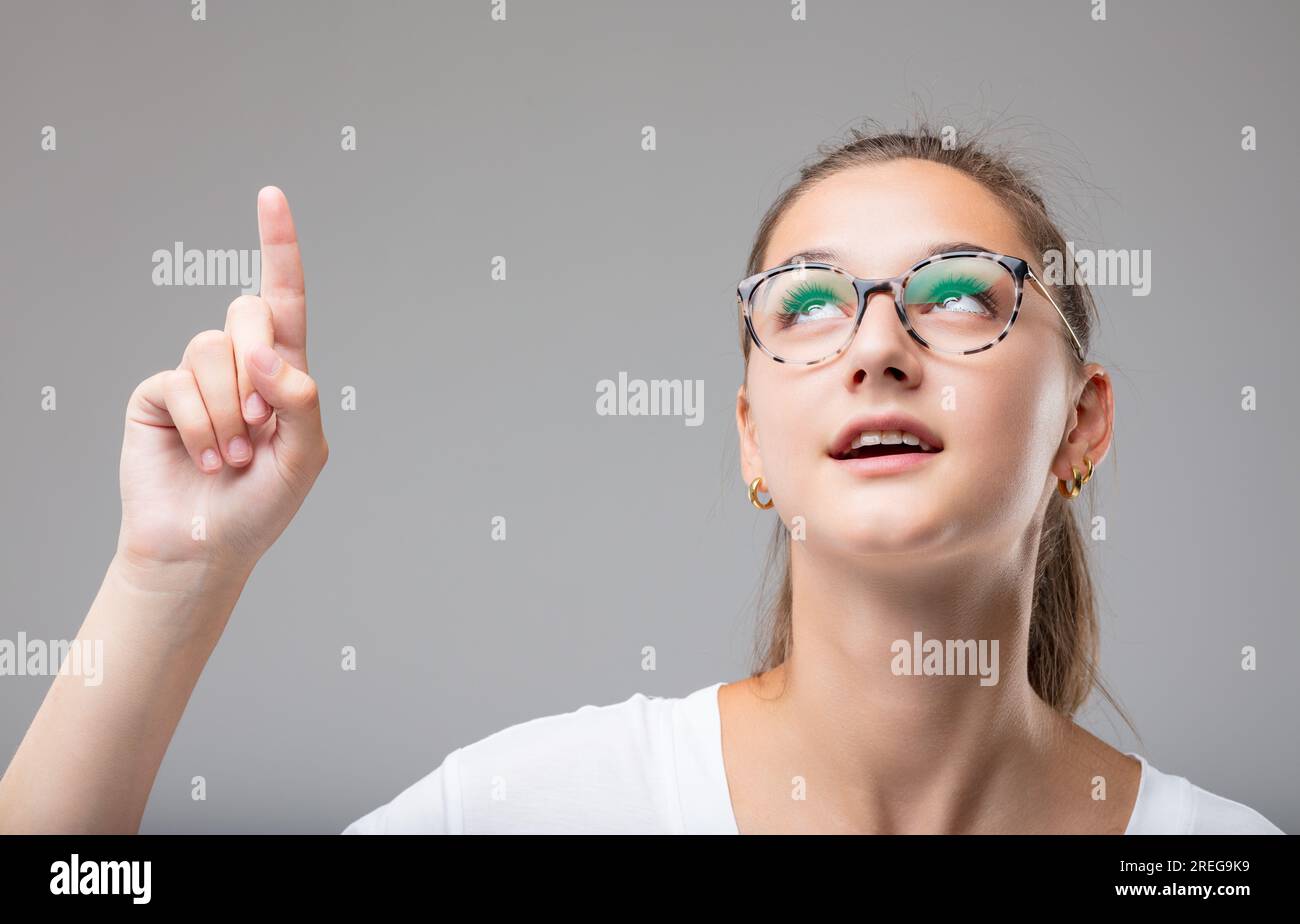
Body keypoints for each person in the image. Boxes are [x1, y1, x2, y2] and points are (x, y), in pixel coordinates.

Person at [0, 124, 1284, 835]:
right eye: (810, 303)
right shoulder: (528, 813)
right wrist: (172, 572)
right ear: (747, 437)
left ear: (1082, 426)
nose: (879, 347)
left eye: (956, 296)